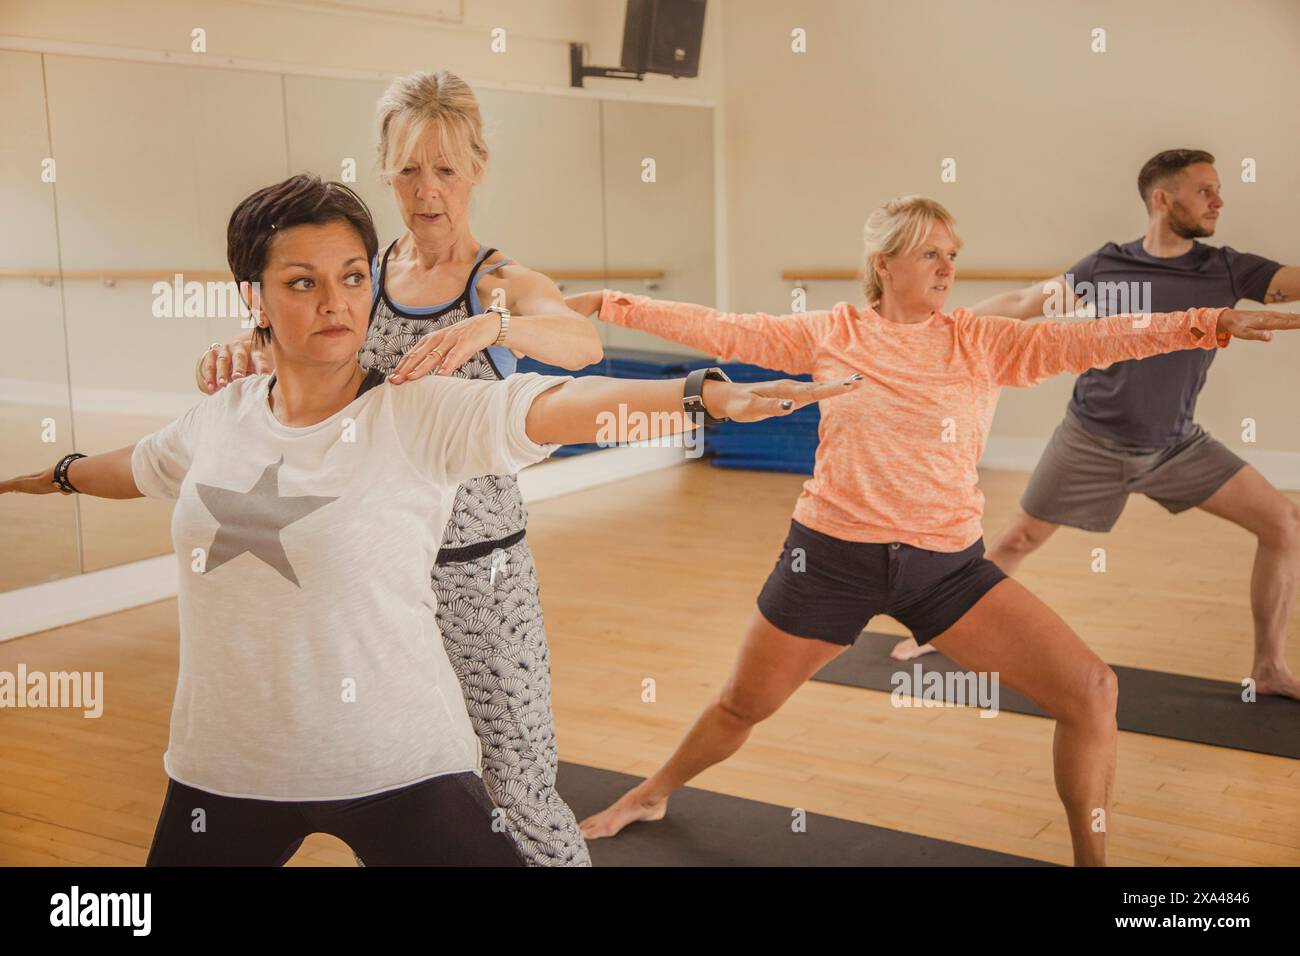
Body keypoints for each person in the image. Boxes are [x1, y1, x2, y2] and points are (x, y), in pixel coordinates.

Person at [2, 173, 859, 866]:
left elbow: (562, 403)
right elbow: (138, 467)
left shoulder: (417, 411)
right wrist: (43, 479)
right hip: (225, 769)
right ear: (253, 298)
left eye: (350, 278)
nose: (335, 301)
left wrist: (698, 392)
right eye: (301, 282)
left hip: (401, 762)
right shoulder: (219, 417)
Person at [557, 195, 1299, 866]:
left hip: (947, 570)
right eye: (930, 254)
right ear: (883, 264)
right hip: (829, 561)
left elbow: (1096, 340)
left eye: (953, 255)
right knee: (740, 707)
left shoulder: (982, 340)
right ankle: (653, 791)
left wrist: (1214, 320)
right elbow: (717, 328)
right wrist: (607, 302)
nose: (948, 268)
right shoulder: (831, 333)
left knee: (1093, 690)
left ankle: (1092, 865)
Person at [196, 70, 608, 865]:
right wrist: (234, 353)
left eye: (447, 168)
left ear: (478, 170)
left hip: (478, 579)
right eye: (409, 168)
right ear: (383, 169)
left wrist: (496, 328)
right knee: (403, 786)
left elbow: (582, 345)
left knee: (518, 782)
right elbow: (288, 353)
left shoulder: (497, 281)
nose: (427, 190)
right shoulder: (361, 277)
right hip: (379, 585)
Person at [888, 150, 1300, 703]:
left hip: (1175, 445)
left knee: (1283, 523)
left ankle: (1269, 666)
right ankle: (941, 629)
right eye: (1204, 191)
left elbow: (1292, 283)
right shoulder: (1107, 266)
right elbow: (1023, 302)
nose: (1218, 201)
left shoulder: (1226, 269)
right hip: (1090, 439)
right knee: (1017, 538)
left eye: (1218, 189)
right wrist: (938, 331)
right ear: (1162, 198)